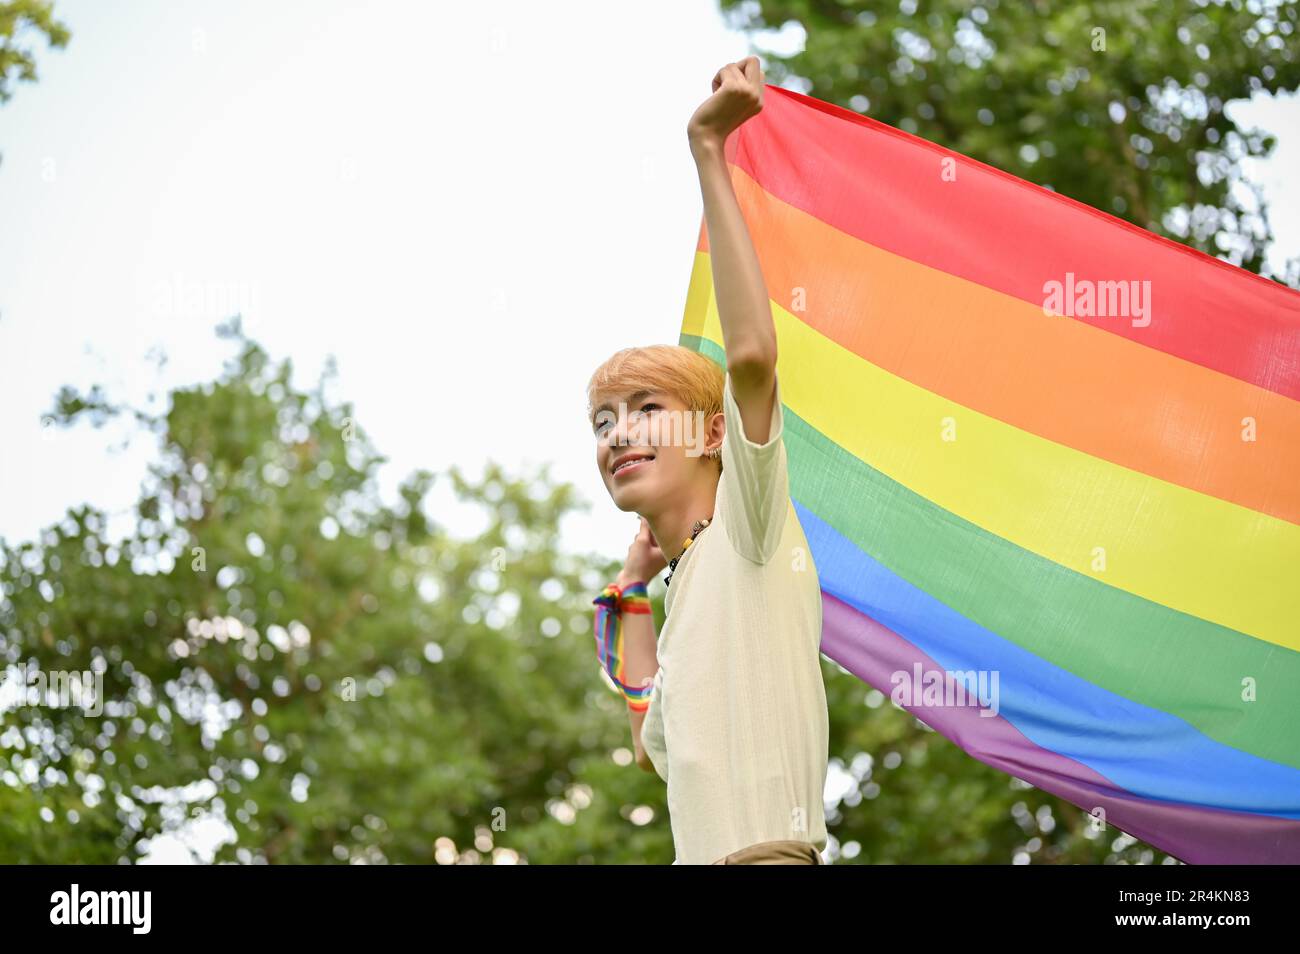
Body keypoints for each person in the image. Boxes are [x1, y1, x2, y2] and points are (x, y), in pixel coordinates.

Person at [586, 56, 829, 865]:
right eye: (604, 421)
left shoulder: (751, 530)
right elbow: (654, 741)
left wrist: (709, 151)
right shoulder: (688, 587)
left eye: (647, 410)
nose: (617, 433)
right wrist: (629, 594)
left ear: (715, 435)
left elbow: (753, 356)